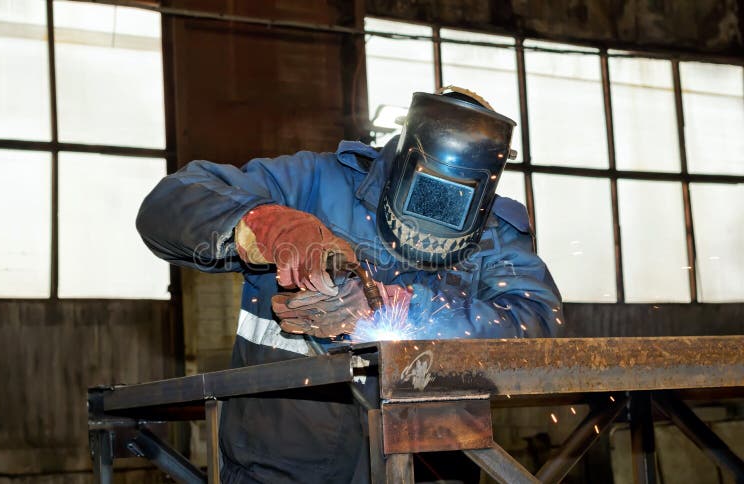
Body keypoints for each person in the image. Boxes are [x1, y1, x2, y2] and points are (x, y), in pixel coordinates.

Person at [136, 87, 562, 483]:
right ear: (407, 156)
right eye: (429, 192)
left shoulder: (497, 235)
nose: (435, 215)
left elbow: (539, 325)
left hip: (431, 471)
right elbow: (168, 203)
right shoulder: (314, 184)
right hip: (279, 471)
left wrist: (406, 307)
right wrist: (267, 224)